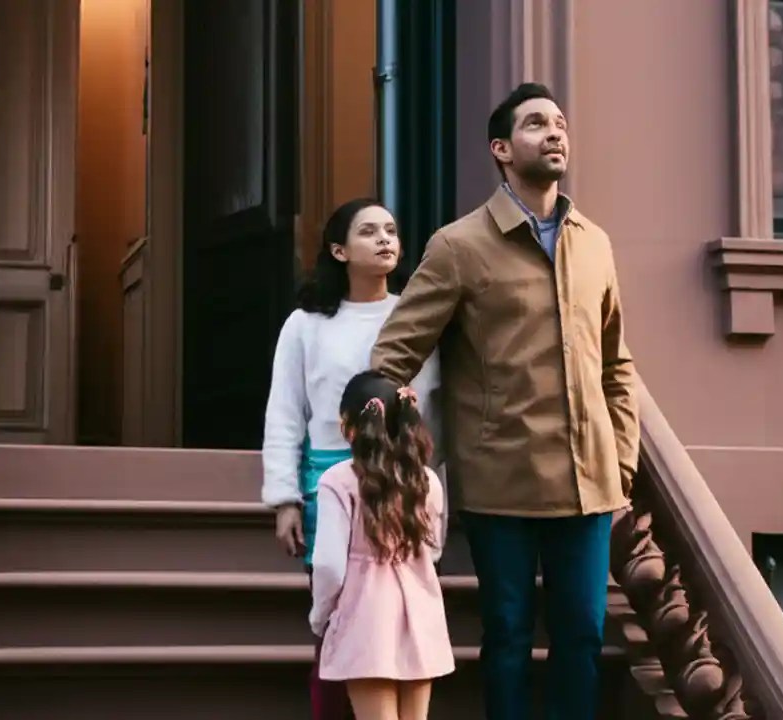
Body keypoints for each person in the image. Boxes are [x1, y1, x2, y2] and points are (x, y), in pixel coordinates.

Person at [370, 82, 641, 719]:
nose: (555, 133)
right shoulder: (458, 245)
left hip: (588, 483)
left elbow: (616, 363)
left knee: (582, 636)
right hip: (500, 482)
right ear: (501, 148)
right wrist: (382, 445)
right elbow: (393, 355)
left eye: (560, 123)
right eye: (536, 124)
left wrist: (623, 460)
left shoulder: (594, 243)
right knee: (509, 638)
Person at [262, 198, 440, 719]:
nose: (385, 239)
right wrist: (284, 499)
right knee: (339, 619)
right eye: (368, 231)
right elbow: (285, 410)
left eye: (391, 230)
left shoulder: (414, 317)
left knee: (396, 616)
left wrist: (431, 490)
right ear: (339, 250)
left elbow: (430, 408)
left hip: (400, 482)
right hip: (329, 479)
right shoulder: (305, 325)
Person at [309, 370, 455, 720]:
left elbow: (329, 565)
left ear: (349, 426)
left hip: (365, 620)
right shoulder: (427, 481)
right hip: (420, 618)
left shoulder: (338, 481)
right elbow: (434, 548)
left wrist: (320, 616)